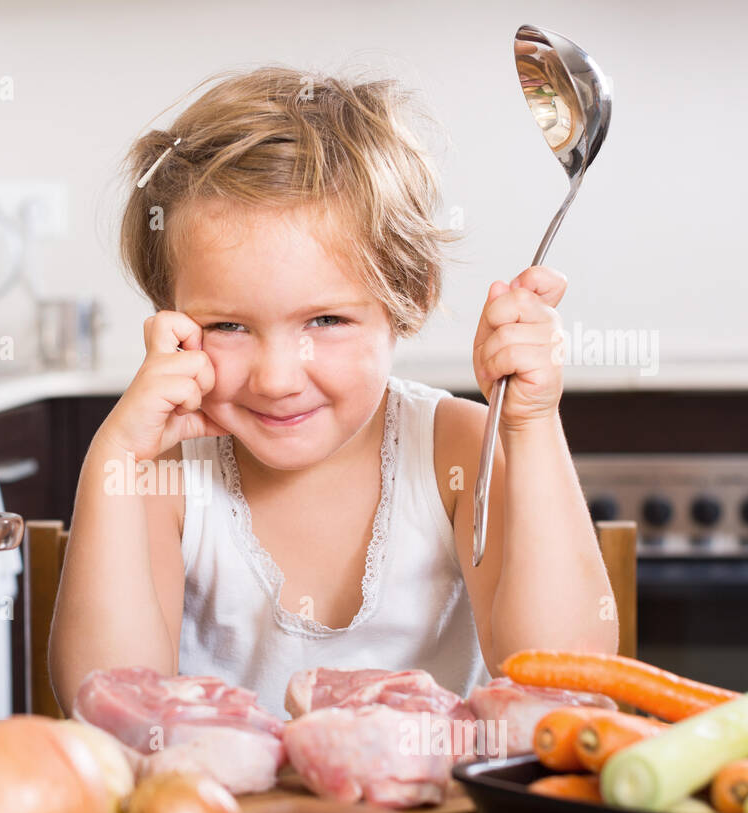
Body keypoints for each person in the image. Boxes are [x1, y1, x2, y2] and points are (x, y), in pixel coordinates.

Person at [51, 66, 617, 719]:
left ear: (411, 295)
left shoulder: (457, 451)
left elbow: (566, 685)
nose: (278, 377)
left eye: (326, 321)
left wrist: (532, 428)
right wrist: (114, 458)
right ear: (171, 320)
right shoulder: (166, 476)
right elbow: (110, 706)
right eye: (228, 326)